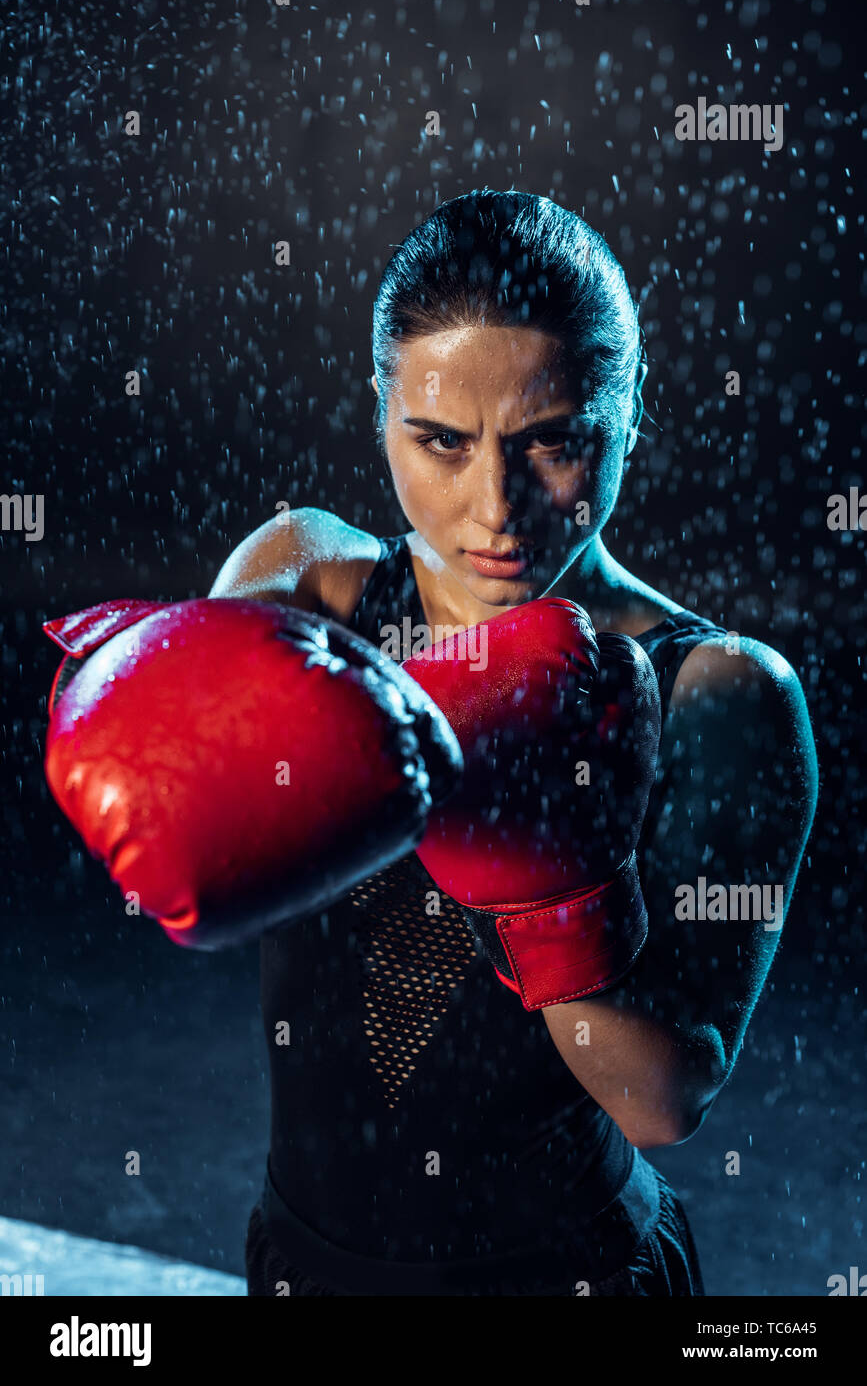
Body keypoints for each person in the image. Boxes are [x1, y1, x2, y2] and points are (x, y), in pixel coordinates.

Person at [45, 190, 819, 1296]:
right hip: (305, 1260)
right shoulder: (309, 580)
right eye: (442, 442)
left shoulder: (716, 686)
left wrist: (535, 875)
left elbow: (663, 1099)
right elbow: (187, 821)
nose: (495, 503)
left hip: (568, 1278)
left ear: (632, 405)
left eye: (553, 441)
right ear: (382, 411)